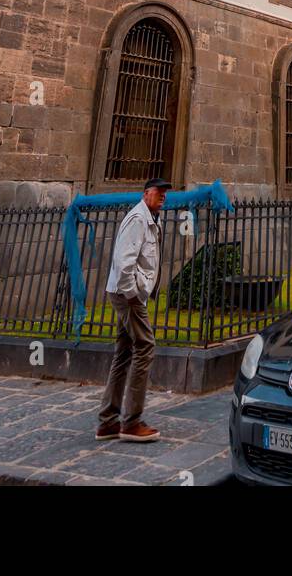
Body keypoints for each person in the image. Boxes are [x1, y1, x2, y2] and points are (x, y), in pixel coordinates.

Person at [96, 177, 168, 442]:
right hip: (127, 295)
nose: (163, 196)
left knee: (124, 352)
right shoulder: (138, 219)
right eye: (158, 192)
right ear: (146, 193)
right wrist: (133, 295)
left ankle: (108, 421)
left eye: (165, 193)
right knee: (145, 346)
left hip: (127, 293)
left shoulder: (152, 219)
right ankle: (131, 422)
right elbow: (123, 261)